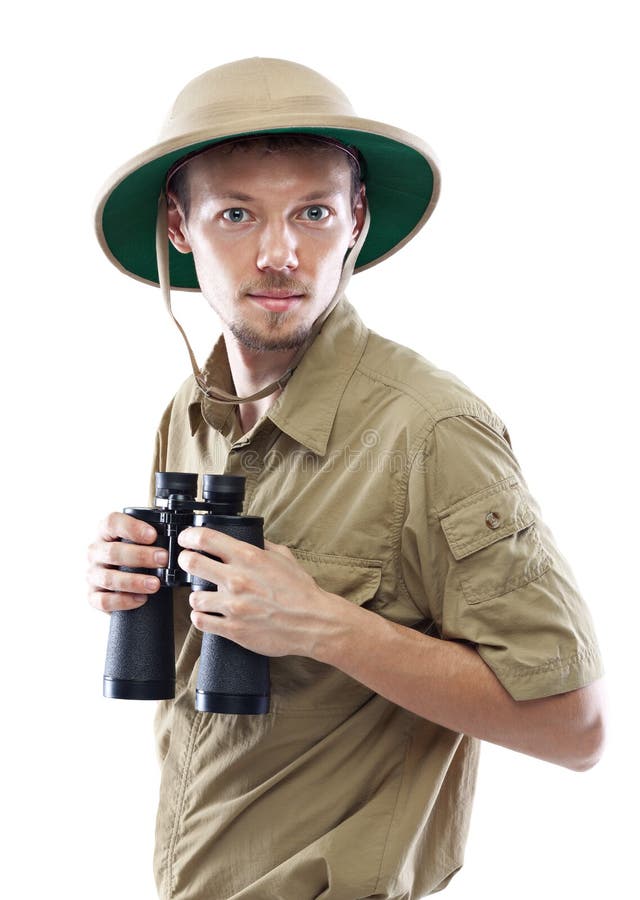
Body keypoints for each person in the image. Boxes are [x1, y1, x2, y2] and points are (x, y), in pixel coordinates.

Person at [88, 57, 606, 900]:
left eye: (314, 212)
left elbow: (576, 729)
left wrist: (323, 625)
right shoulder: (190, 410)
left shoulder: (431, 429)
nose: (281, 252)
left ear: (357, 220)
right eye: (236, 215)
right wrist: (138, 579)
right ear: (179, 227)